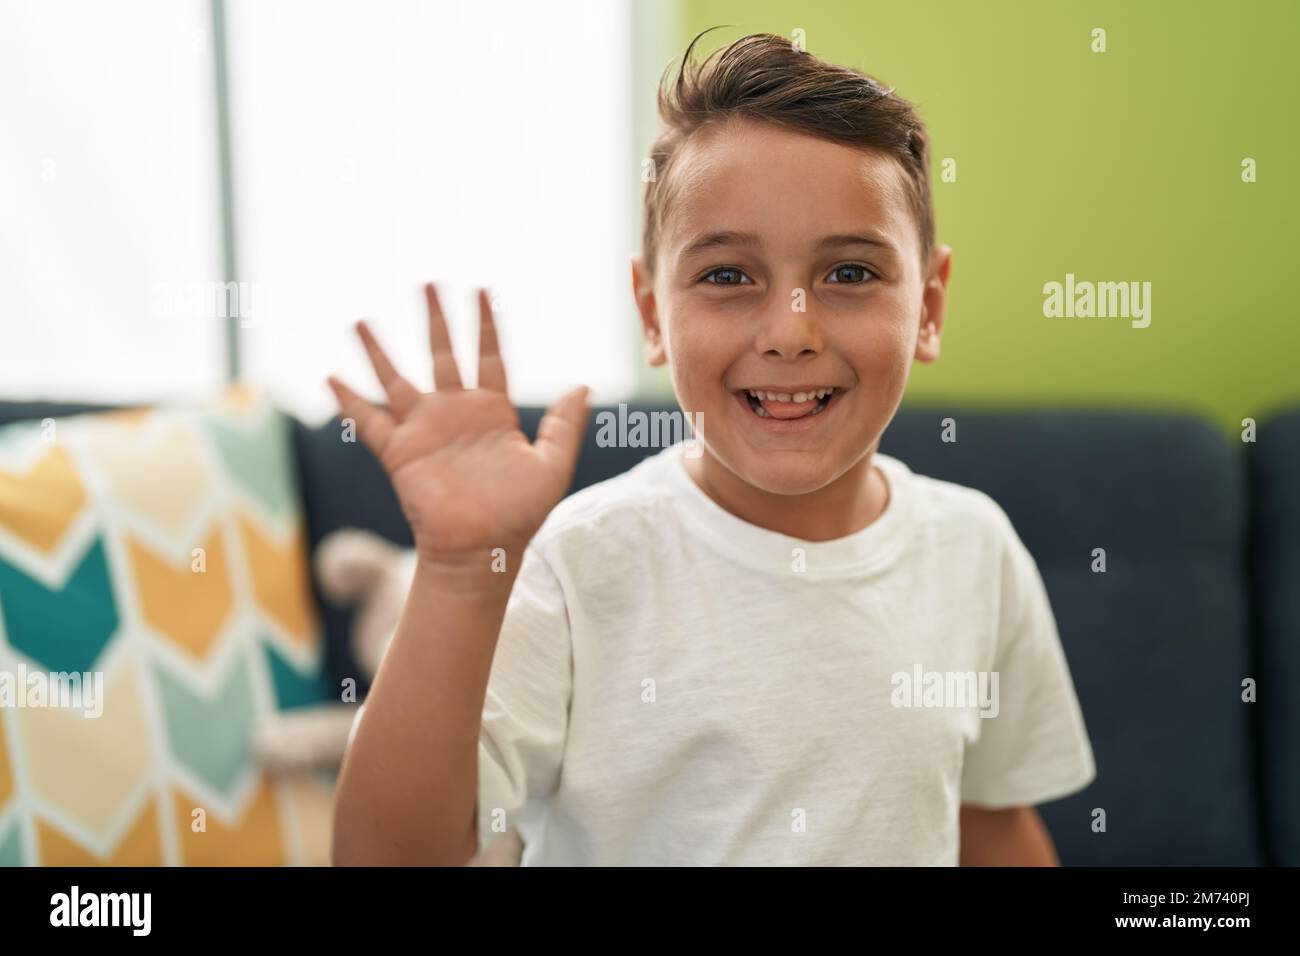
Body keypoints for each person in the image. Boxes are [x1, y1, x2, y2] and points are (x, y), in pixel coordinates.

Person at [330, 31, 1095, 866]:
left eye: (849, 274)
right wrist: (457, 571)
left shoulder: (974, 550)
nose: (790, 331)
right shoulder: (582, 564)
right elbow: (387, 855)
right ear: (654, 313)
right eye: (728, 276)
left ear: (929, 307)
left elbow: (991, 827)